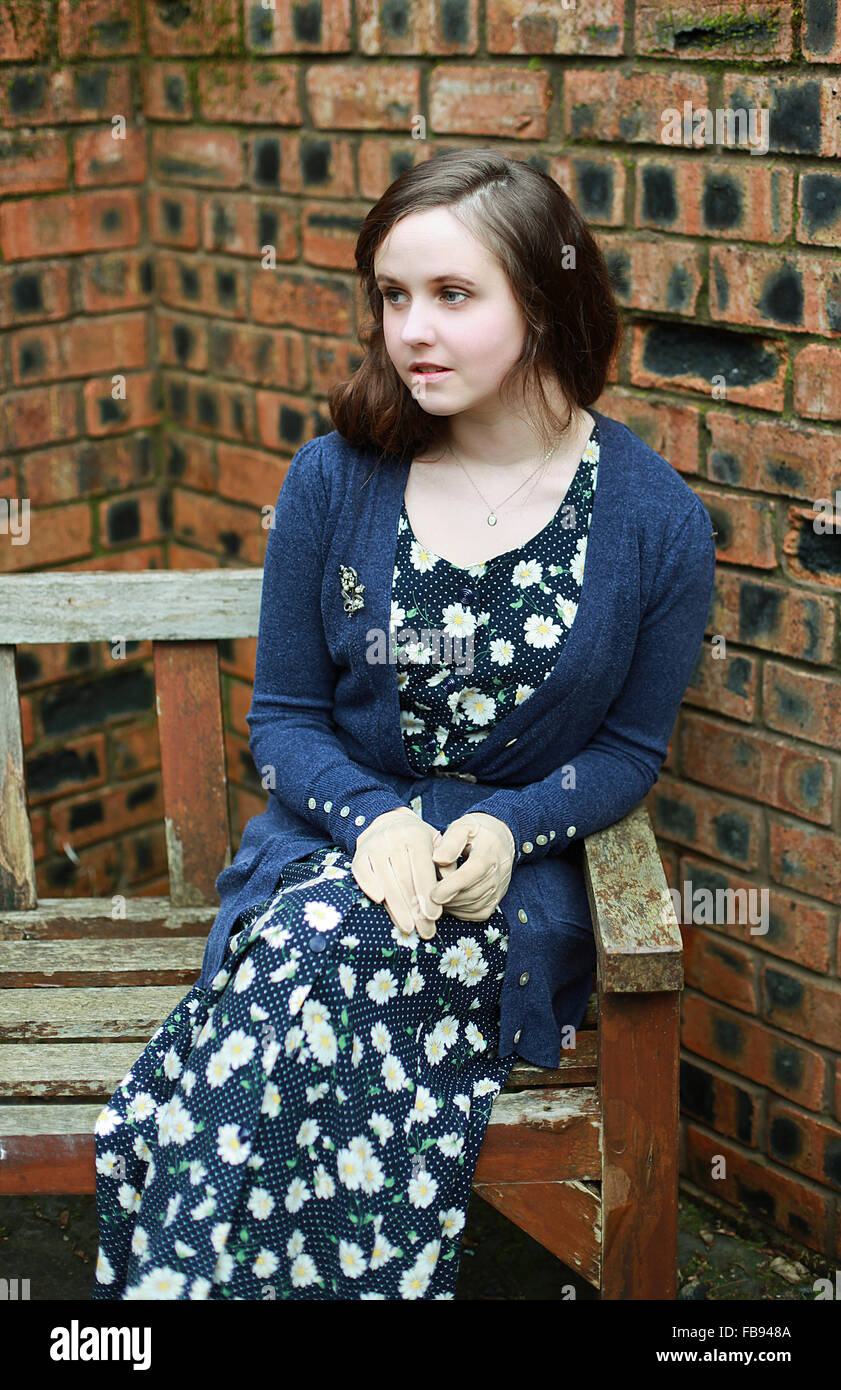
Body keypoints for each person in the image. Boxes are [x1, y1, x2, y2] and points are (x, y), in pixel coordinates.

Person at [91, 148, 716, 1300]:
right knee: (334, 933)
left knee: (335, 957)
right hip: (328, 855)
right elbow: (281, 719)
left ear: (544, 301)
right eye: (391, 295)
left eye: (453, 295)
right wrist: (371, 822)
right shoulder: (337, 479)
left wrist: (510, 827)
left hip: (503, 892)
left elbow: (628, 752)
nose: (410, 329)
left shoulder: (653, 521)